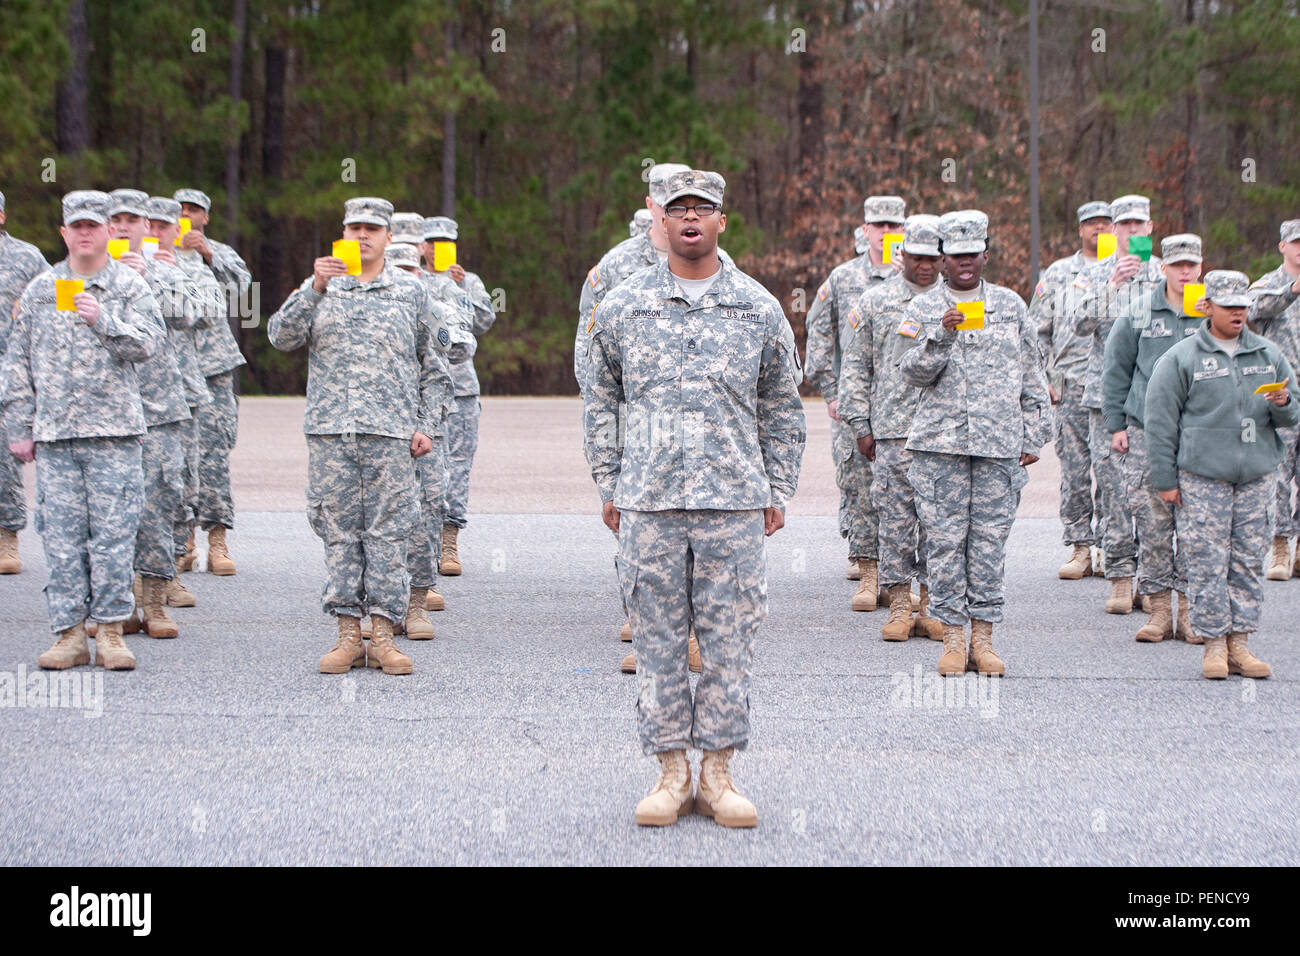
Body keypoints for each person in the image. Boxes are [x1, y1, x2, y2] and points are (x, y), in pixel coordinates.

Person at [584, 169, 805, 828]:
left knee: (729, 643)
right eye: (676, 208)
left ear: (720, 221)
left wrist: (779, 486)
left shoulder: (756, 306)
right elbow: (602, 399)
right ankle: (670, 771)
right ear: (658, 217)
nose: (688, 219)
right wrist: (608, 479)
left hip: (732, 502)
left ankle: (718, 772)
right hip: (649, 500)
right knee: (656, 643)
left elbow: (781, 403)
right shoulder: (622, 305)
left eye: (701, 209)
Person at [268, 198, 471, 675]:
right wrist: (313, 288)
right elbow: (279, 337)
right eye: (354, 227)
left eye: (371, 229)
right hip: (331, 434)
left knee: (388, 535)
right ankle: (345, 635)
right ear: (341, 232)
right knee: (338, 535)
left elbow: (450, 353)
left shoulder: (411, 292)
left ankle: (382, 635)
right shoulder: (321, 289)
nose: (362, 236)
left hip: (391, 435)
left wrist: (426, 423)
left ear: (387, 238)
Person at [3, 190, 163, 670]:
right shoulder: (40, 288)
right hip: (56, 438)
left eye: (95, 225)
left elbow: (149, 345)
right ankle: (70, 633)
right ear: (64, 233)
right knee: (62, 538)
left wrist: (105, 321)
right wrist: (19, 426)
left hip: (113, 435)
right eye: (78, 226)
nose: (86, 233)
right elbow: (17, 364)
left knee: (114, 536)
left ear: (108, 231)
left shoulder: (129, 287)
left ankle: (112, 631)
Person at [899, 210, 1052, 676]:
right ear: (943, 259)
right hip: (939, 448)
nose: (965, 263)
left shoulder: (1010, 306)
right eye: (956, 255)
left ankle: (983, 639)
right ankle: (951, 638)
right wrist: (941, 336)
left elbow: (1032, 372)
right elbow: (910, 374)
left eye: (973, 254)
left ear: (986, 254)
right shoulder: (922, 308)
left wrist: (1034, 432)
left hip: (997, 446)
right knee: (945, 544)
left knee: (988, 545)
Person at [576, 162, 712, 673]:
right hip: (634, 421)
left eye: (687, 205)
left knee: (700, 525)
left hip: (699, 419)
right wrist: (601, 420)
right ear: (651, 205)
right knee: (638, 529)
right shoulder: (614, 268)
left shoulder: (716, 260)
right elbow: (588, 350)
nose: (673, 211)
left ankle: (694, 630)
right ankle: (648, 623)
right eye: (664, 201)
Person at [1144, 270, 1298, 679]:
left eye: (1243, 307)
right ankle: (1213, 644)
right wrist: (1165, 479)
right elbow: (1160, 423)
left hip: (1256, 477)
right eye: (1228, 306)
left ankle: (1240, 644)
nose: (1237, 314)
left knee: (1247, 560)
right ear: (1207, 307)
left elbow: (1292, 413)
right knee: (1207, 561)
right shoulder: (1181, 358)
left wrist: (1283, 402)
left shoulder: (1268, 355)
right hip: (1202, 477)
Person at [837, 213, 945, 641]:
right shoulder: (875, 301)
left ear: (942, 259)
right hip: (892, 431)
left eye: (932, 258)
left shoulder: (956, 305)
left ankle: (933, 603)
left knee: (939, 524)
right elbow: (855, 368)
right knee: (896, 522)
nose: (924, 265)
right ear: (902, 254)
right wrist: (860, 425)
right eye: (916, 256)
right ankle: (900, 606)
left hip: (943, 432)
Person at [1102, 233, 1205, 643]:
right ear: (1162, 269)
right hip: (1147, 432)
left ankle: (1192, 611)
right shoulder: (1140, 312)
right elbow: (1117, 368)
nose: (1185, 272)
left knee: (1197, 525)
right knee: (1154, 522)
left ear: (1201, 267)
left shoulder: (1210, 312)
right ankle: (1160, 610)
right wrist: (1116, 426)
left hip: (1198, 434)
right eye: (1177, 265)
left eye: (1191, 265)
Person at [805, 195, 904, 609]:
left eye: (892, 225)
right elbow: (819, 335)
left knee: (904, 491)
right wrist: (832, 392)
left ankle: (903, 579)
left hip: (906, 405)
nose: (885, 232)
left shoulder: (921, 280)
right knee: (860, 487)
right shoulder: (843, 279)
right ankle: (868, 572)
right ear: (864, 231)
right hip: (856, 402)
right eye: (877, 225)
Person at [107, 189, 194, 638]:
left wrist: (151, 280)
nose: (122, 226)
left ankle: (156, 604)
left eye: (131, 219)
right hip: (102, 414)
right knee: (109, 514)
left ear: (148, 226)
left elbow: (196, 313)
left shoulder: (165, 270)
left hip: (158, 410)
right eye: (114, 218)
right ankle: (115, 604)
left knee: (158, 508)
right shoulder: (77, 276)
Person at [1075, 194, 1163, 614]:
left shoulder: (1170, 273)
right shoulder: (1095, 274)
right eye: (1122, 225)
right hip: (1105, 399)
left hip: (1156, 399)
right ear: (1113, 231)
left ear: (1150, 228)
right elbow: (1077, 323)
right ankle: (1119, 576)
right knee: (1112, 491)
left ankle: (1153, 578)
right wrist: (1113, 285)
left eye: (1137, 224)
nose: (1130, 231)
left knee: (1153, 493)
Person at [146, 196, 224, 608]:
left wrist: (167, 277)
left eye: (165, 225)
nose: (158, 232)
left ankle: (170, 571)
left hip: (180, 393)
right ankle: (130, 582)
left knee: (180, 484)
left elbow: (210, 311)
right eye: (151, 224)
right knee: (132, 492)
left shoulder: (190, 268)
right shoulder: (111, 269)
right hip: (127, 399)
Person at [1031, 200, 1112, 579]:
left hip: (1116, 387)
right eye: (1091, 223)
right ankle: (1080, 546)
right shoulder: (1059, 273)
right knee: (1077, 470)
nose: (1099, 229)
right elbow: (1036, 331)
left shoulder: (1131, 272)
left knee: (1114, 470)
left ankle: (1114, 548)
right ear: (1080, 230)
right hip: (1072, 385)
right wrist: (1043, 376)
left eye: (1105, 223)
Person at [173, 189, 249, 576]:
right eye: (181, 209)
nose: (187, 215)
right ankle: (182, 540)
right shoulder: (155, 251)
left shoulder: (217, 251)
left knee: (215, 453)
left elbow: (243, 288)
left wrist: (208, 255)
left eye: (194, 210)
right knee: (178, 458)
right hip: (173, 368)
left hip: (214, 365)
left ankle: (217, 539)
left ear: (206, 217)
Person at [420, 216, 494, 577]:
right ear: (419, 245)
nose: (436, 248)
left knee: (459, 465)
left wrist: (460, 287)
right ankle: (424, 543)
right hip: (422, 388)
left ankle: (450, 539)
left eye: (444, 242)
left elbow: (484, 322)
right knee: (427, 466)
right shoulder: (408, 277)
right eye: (430, 241)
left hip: (461, 386)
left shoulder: (469, 281)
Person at [0, 189, 51, 575]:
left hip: (9, 368)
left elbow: (54, 301)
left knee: (4, 459)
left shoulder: (26, 256)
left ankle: (7, 537)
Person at [1248, 218, 1300, 580]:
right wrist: (1292, 291)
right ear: (1282, 246)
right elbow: (1252, 310)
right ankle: (1279, 548)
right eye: (1296, 242)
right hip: (1282, 393)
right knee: (1279, 474)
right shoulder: (1268, 284)